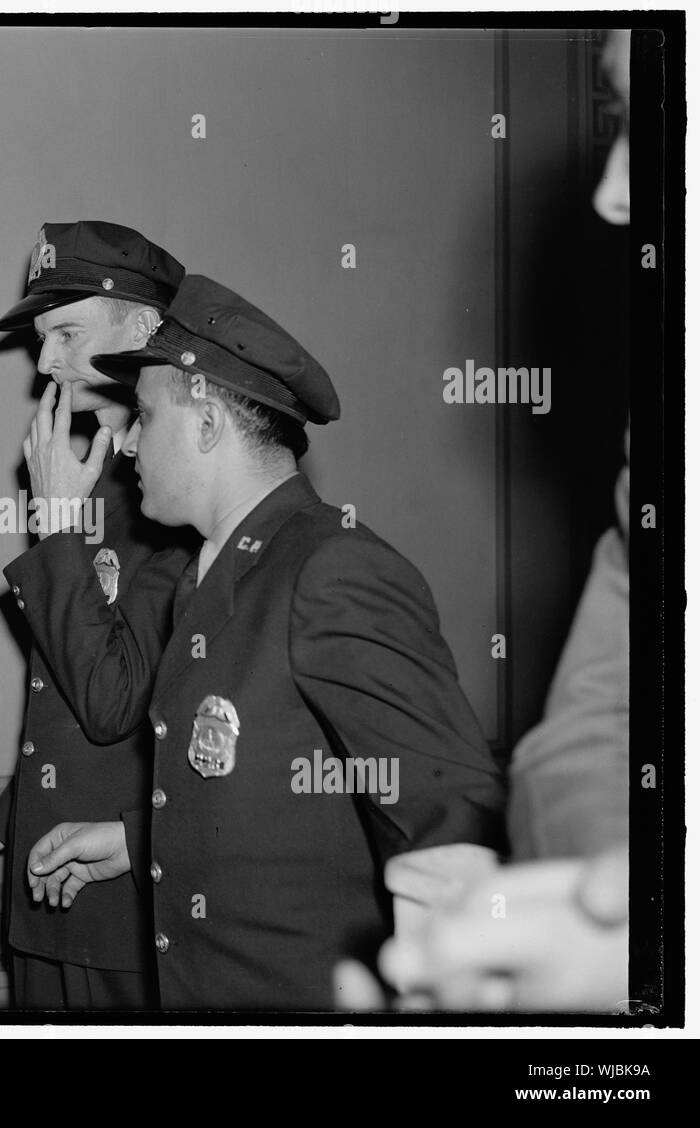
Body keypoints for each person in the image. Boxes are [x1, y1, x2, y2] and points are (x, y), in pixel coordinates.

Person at [25, 274, 507, 1009]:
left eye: (148, 418)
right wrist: (136, 838)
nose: (132, 448)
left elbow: (447, 817)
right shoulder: (215, 575)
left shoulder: (331, 567)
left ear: (208, 424)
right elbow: (263, 788)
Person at [337, 28, 633, 1013]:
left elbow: (438, 783)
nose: (611, 193)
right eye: (619, 114)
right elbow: (586, 732)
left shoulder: (335, 572)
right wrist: (610, 909)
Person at [0, 221, 194, 1009]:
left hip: (127, 909)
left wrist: (54, 530)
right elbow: (64, 708)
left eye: (66, 333)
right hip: (45, 893)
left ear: (143, 330)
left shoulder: (176, 497)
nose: (44, 363)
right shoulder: (93, 473)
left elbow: (116, 705)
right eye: (42, 339)